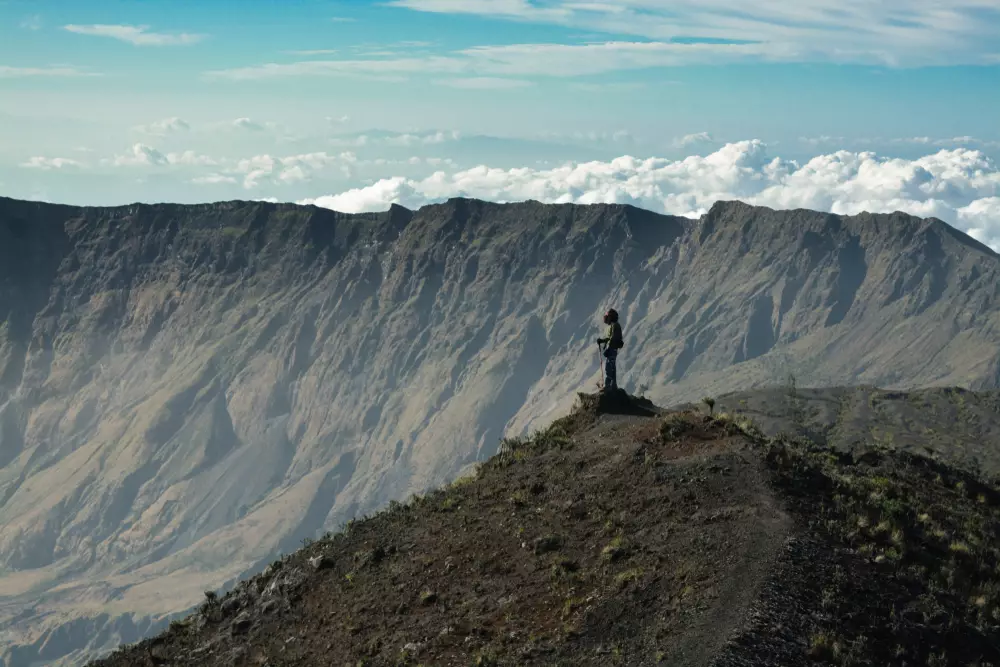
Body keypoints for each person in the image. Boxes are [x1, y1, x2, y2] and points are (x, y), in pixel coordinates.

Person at [597, 308, 624, 391]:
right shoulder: (614, 325)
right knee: (612, 367)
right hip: (612, 349)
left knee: (609, 367)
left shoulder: (615, 325)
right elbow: (610, 338)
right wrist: (602, 340)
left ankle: (609, 386)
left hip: (612, 349)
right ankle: (613, 385)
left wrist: (608, 348)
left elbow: (612, 339)